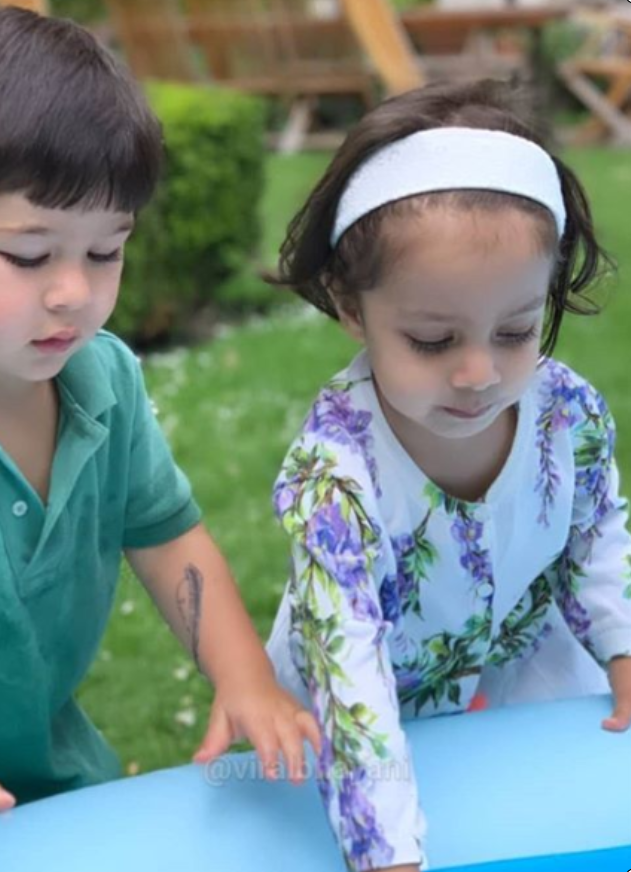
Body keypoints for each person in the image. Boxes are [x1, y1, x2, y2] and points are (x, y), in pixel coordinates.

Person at [0, 9, 321, 872]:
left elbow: (166, 539)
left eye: (105, 251)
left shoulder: (104, 382)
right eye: (27, 256)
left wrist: (243, 676)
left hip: (44, 792)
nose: (73, 294)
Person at [266, 78, 631, 871]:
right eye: (432, 340)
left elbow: (596, 533)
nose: (478, 373)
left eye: (515, 330)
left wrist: (621, 645)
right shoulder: (340, 478)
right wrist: (388, 852)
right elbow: (351, 680)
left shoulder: (564, 413)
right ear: (349, 306)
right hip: (355, 693)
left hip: (516, 646)